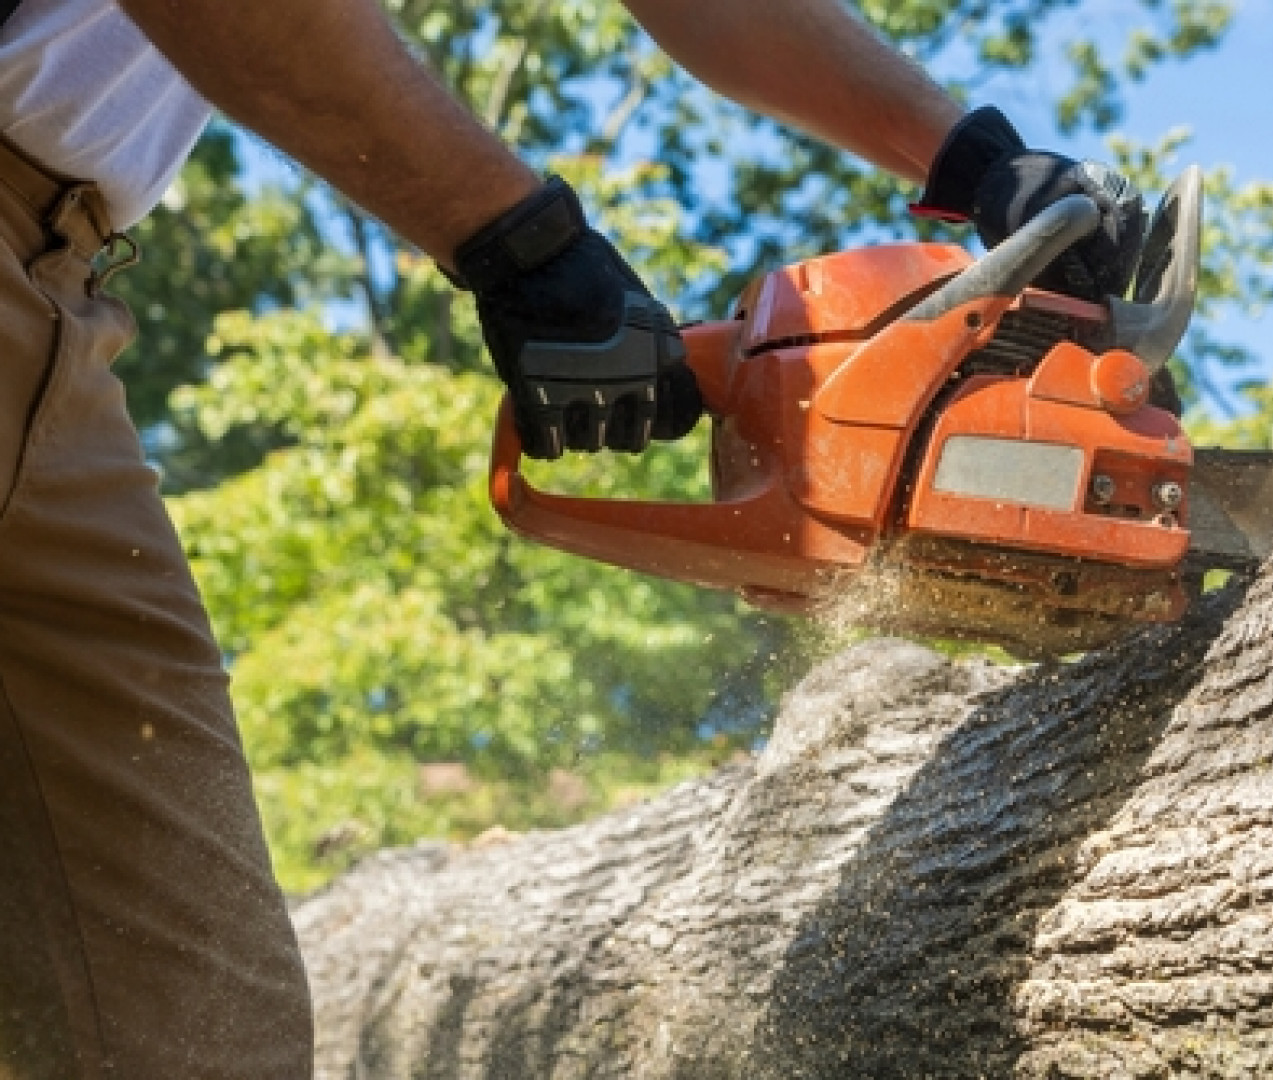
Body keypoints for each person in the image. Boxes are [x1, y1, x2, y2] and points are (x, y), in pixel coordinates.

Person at [0, 0, 1143, 1075]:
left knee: (174, 1011)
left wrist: (977, 159)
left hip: (59, 290)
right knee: (187, 1022)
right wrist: (521, 245)